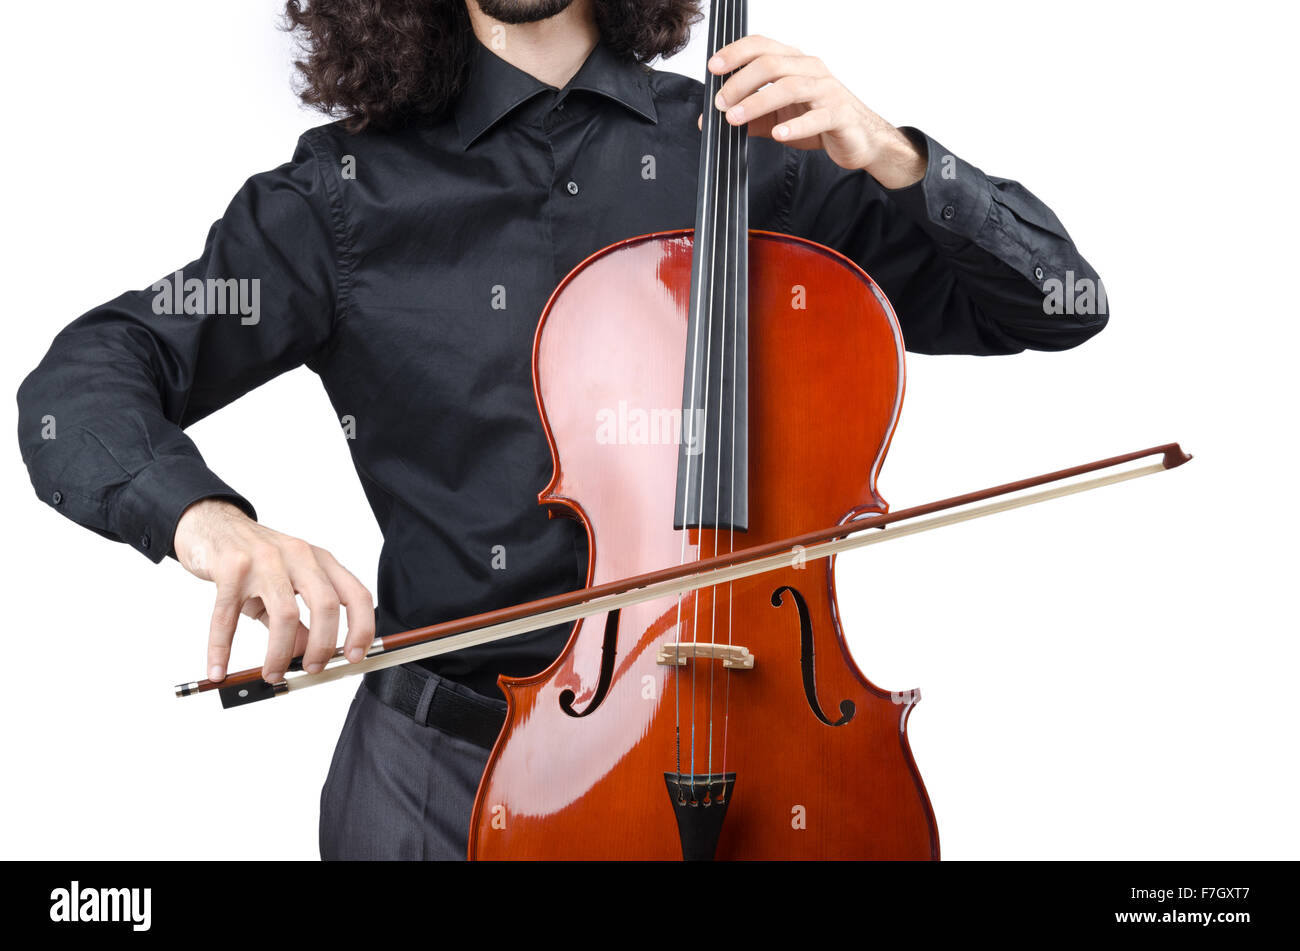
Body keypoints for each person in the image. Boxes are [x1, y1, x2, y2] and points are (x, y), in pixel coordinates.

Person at [15, 0, 1106, 860]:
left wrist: (897, 155)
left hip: (770, 760)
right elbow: (83, 383)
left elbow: (1056, 302)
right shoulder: (338, 202)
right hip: (433, 788)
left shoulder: (757, 156)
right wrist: (210, 524)